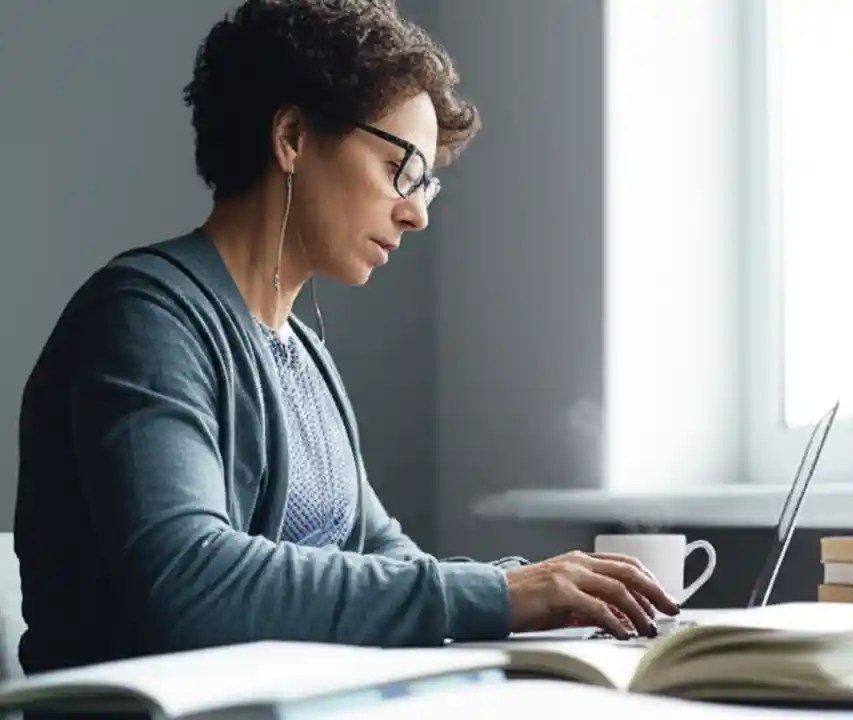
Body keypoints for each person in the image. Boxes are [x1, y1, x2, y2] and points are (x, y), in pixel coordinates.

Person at [14, 0, 677, 677]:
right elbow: (189, 583)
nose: (416, 213)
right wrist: (499, 594)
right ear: (293, 137)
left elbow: (386, 564)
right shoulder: (146, 319)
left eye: (427, 184)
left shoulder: (305, 356)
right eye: (402, 170)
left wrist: (546, 589)